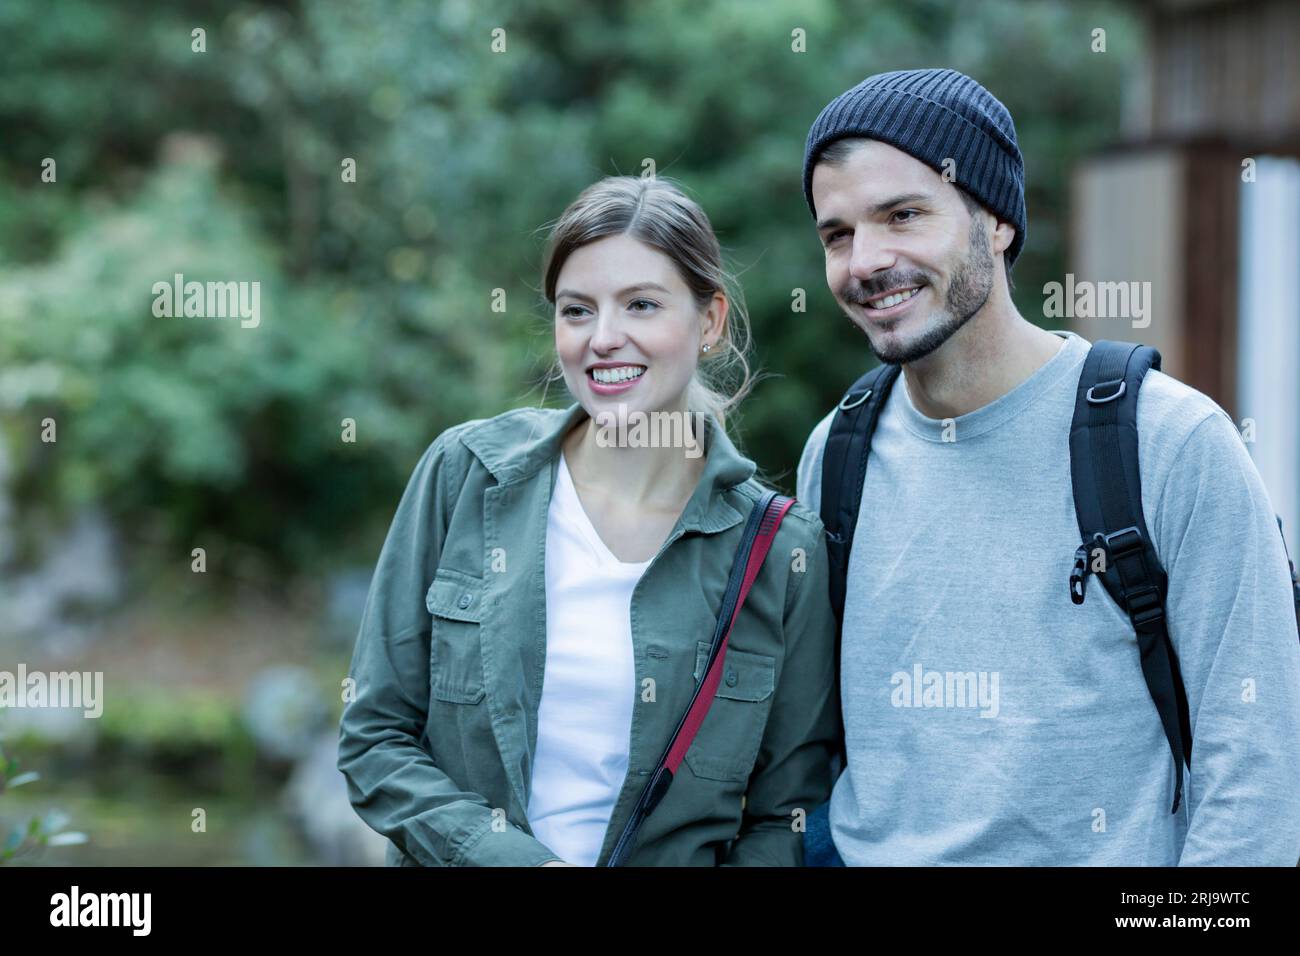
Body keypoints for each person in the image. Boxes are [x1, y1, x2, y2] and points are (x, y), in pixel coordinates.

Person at [795, 68, 1300, 865]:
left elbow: (1260, 774)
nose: (866, 261)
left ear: (994, 221)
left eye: (903, 216)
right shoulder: (838, 453)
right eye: (838, 234)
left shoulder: (1167, 440)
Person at [337, 175, 840, 866]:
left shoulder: (782, 553)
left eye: (640, 304)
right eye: (577, 311)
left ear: (710, 322)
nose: (604, 338)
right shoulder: (466, 475)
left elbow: (785, 817)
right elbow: (375, 740)